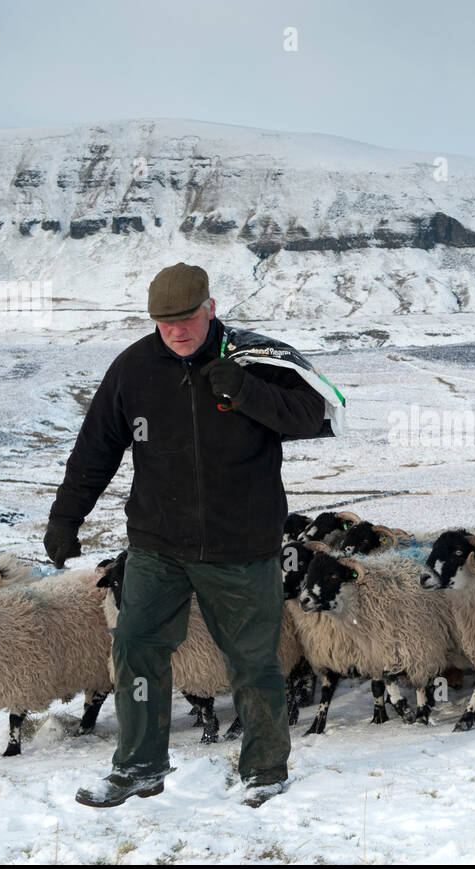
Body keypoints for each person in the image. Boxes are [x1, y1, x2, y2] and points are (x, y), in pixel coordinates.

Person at [45, 262, 328, 808]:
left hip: (242, 547)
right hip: (158, 544)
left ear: (211, 309)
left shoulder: (256, 358)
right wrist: (65, 518)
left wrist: (247, 391)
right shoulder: (132, 369)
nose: (177, 331)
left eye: (188, 318)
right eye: (164, 322)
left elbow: (314, 415)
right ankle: (139, 767)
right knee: (135, 648)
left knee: (252, 660)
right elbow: (95, 449)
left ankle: (266, 770)